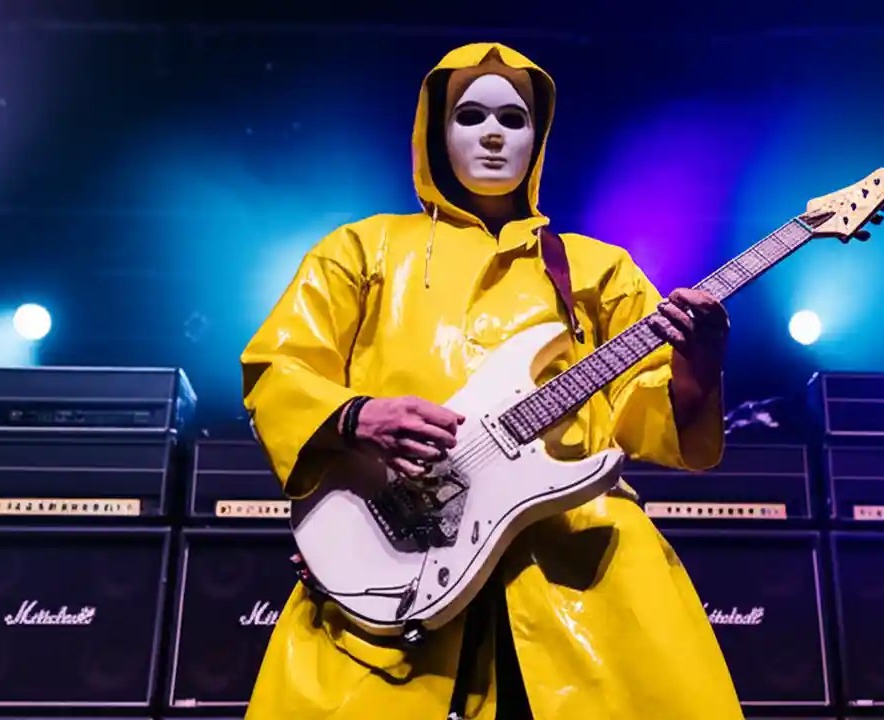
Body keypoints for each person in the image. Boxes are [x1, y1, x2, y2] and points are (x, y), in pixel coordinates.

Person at [239, 41, 745, 720]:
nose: (493, 133)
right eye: (470, 115)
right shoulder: (361, 249)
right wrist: (357, 415)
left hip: (576, 569)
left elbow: (653, 422)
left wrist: (700, 358)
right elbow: (281, 365)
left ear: (539, 137)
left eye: (514, 118)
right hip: (396, 555)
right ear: (435, 131)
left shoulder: (598, 270)